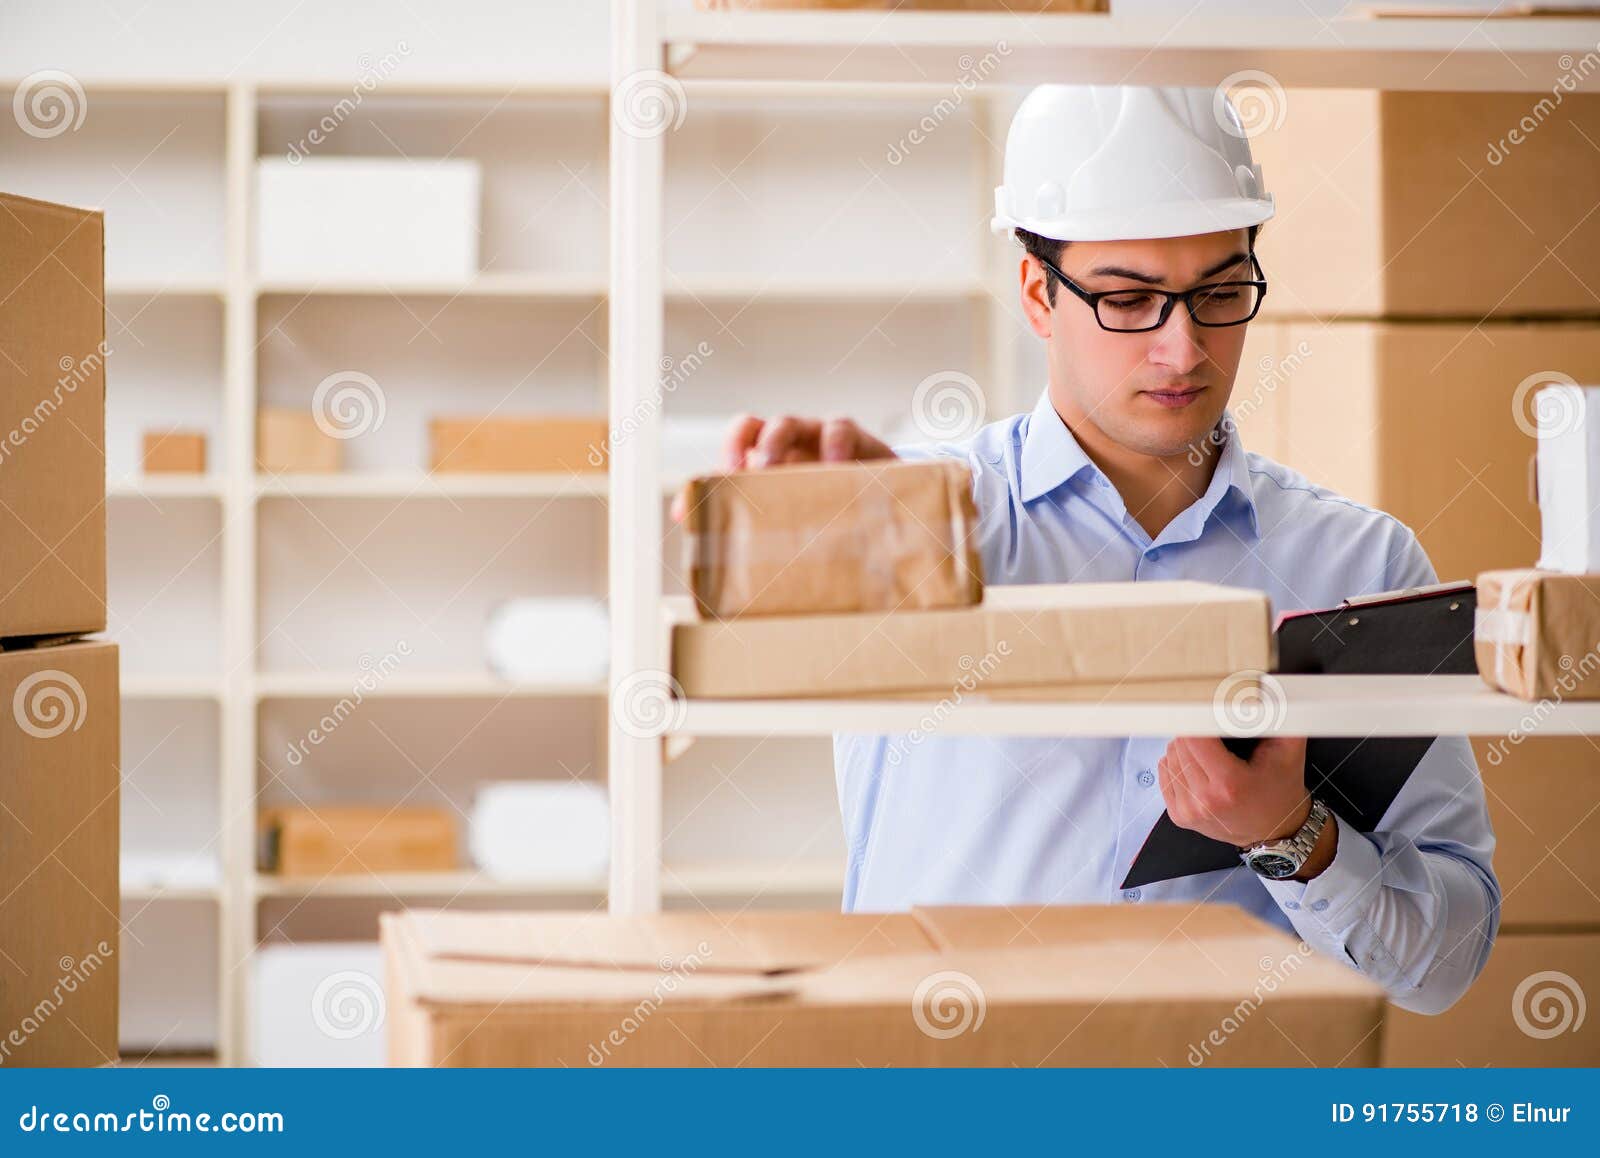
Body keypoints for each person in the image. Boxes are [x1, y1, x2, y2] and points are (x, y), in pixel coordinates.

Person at [684, 85, 1498, 1014]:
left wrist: (1292, 836)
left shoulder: (1360, 568)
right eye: (1129, 299)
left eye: (1220, 293)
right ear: (1040, 294)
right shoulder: (923, 529)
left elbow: (1444, 966)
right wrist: (806, 525)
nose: (1183, 349)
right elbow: (721, 656)